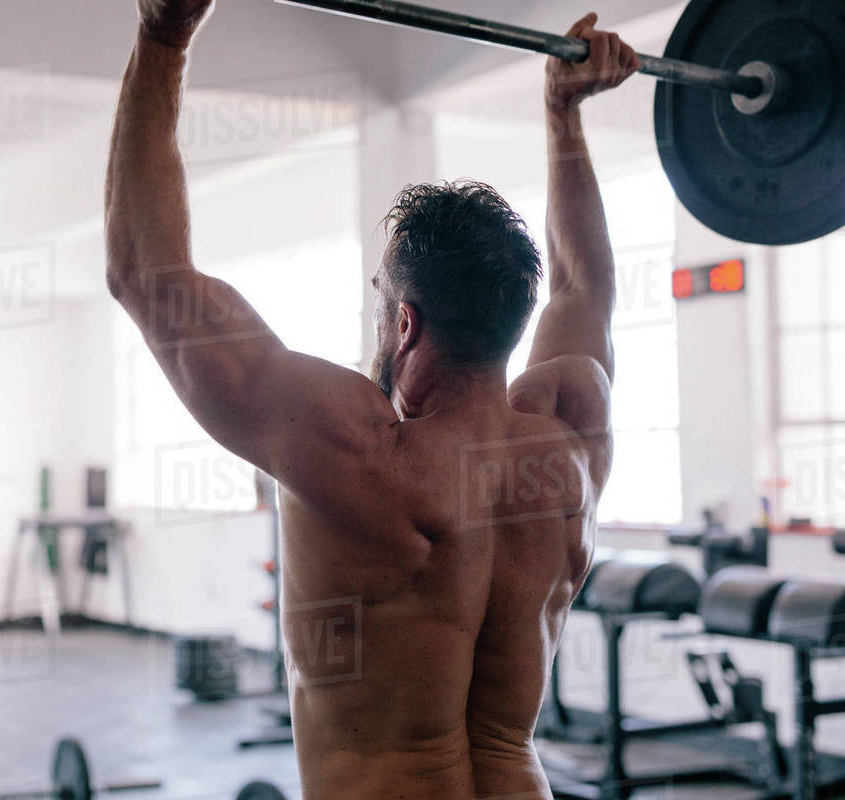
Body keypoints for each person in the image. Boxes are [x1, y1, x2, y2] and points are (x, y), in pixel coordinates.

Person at [105, 3, 640, 798]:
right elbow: (585, 286)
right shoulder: (570, 437)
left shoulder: (358, 453)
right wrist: (564, 116)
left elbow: (146, 275)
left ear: (406, 322)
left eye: (381, 301)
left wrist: (163, 37)